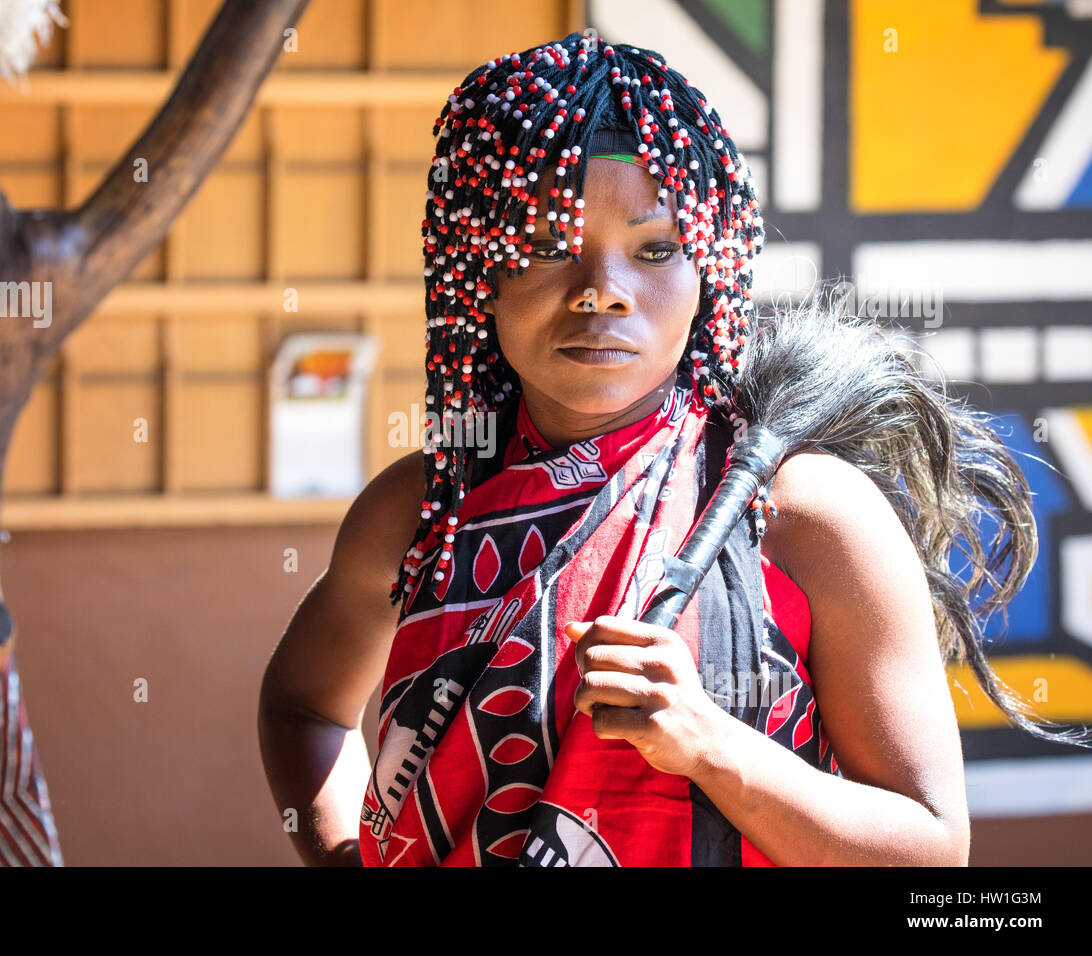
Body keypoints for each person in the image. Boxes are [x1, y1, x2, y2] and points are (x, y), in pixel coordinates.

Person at [258, 32, 1089, 867]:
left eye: (656, 250)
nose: (602, 289)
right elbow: (303, 707)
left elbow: (931, 851)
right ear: (479, 271)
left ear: (710, 277)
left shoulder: (801, 517)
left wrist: (709, 745)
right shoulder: (419, 514)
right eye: (548, 246)